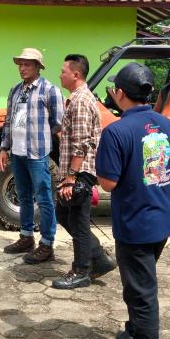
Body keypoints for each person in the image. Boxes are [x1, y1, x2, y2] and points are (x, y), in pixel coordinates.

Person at [95, 62, 170, 339]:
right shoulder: (168, 127)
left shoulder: (116, 131)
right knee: (139, 287)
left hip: (134, 226)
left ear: (119, 93)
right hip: (160, 222)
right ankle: (133, 333)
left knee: (142, 293)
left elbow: (107, 183)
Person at [52, 54, 116, 289]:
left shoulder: (80, 101)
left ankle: (81, 271)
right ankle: (98, 258)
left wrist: (71, 178)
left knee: (77, 222)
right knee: (64, 215)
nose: (60, 74)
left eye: (63, 70)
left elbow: (81, 143)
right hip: (76, 170)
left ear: (76, 74)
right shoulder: (78, 99)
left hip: (79, 172)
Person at [0, 48, 64, 264]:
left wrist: (40, 137)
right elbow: (8, 122)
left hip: (37, 154)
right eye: (20, 64)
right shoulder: (15, 91)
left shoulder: (49, 90)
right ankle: (26, 237)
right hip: (17, 153)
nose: (22, 68)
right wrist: (3, 148)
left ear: (38, 67)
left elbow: (58, 123)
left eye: (27, 64)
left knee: (44, 198)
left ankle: (47, 244)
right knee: (23, 195)